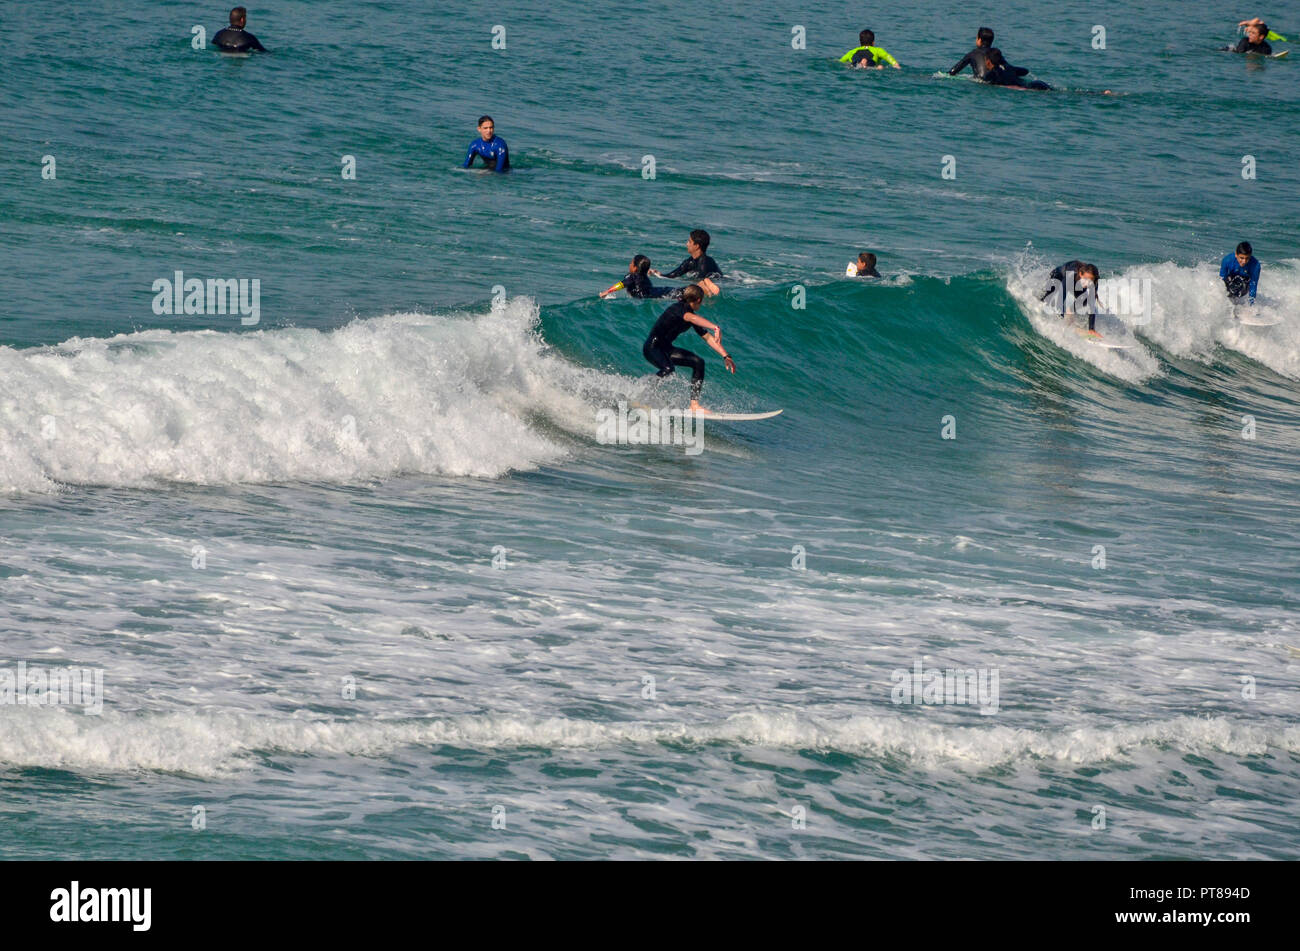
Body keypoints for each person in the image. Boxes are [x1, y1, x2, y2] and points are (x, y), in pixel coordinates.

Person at [642, 285, 736, 412]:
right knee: (668, 369)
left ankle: (694, 405)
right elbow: (689, 317)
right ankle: (644, 396)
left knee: (698, 362)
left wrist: (725, 355)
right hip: (652, 347)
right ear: (698, 300)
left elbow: (707, 337)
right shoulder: (678, 309)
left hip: (666, 349)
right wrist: (715, 327)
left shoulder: (691, 315)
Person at [653, 229, 721, 294]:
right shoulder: (690, 261)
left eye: (689, 242)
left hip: (720, 281)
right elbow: (674, 274)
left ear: (697, 246)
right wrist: (658, 274)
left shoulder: (705, 263)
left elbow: (701, 283)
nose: (687, 244)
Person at [1040, 261, 1101, 331]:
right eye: (1086, 279)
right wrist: (1060, 322)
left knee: (1084, 301)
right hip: (1057, 276)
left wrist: (1091, 329)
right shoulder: (1070, 276)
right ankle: (1038, 303)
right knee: (1046, 298)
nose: (1088, 283)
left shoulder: (1094, 282)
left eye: (1090, 281)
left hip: (1077, 282)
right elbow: (1060, 301)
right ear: (1081, 274)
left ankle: (1069, 312)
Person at [950, 27, 1026, 80]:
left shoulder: (972, 54)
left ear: (979, 40)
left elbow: (953, 72)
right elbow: (1009, 68)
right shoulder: (995, 54)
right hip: (997, 80)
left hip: (981, 82)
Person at [601, 255, 682, 299]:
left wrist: (608, 291)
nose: (629, 265)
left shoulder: (632, 276)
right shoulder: (643, 275)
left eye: (631, 263)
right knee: (678, 292)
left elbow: (622, 284)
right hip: (655, 292)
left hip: (643, 297)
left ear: (635, 268)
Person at [983, 48, 1051, 90]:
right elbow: (1025, 71)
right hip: (1037, 84)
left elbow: (985, 80)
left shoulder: (993, 73)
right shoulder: (1010, 68)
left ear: (988, 62)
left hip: (1026, 89)